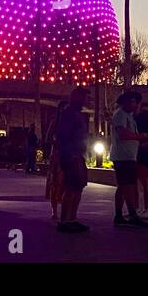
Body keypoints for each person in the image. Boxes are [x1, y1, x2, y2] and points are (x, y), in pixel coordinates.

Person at [54, 87, 91, 233]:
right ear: (77, 97)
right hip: (71, 156)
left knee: (78, 186)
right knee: (71, 187)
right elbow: (64, 136)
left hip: (77, 154)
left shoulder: (77, 114)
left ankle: (72, 218)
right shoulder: (68, 114)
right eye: (84, 97)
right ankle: (65, 220)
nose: (86, 100)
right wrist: (72, 155)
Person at [110, 91, 148, 228]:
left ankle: (119, 215)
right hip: (123, 157)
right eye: (131, 101)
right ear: (125, 102)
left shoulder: (129, 116)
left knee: (122, 186)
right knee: (128, 186)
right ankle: (132, 214)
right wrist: (140, 136)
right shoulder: (120, 115)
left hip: (128, 156)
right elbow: (122, 134)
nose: (134, 104)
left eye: (135, 102)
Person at [44, 102, 67, 220]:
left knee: (66, 184)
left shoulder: (71, 123)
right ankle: (54, 211)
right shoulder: (55, 122)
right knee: (55, 183)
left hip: (68, 156)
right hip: (57, 156)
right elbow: (48, 138)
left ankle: (65, 210)